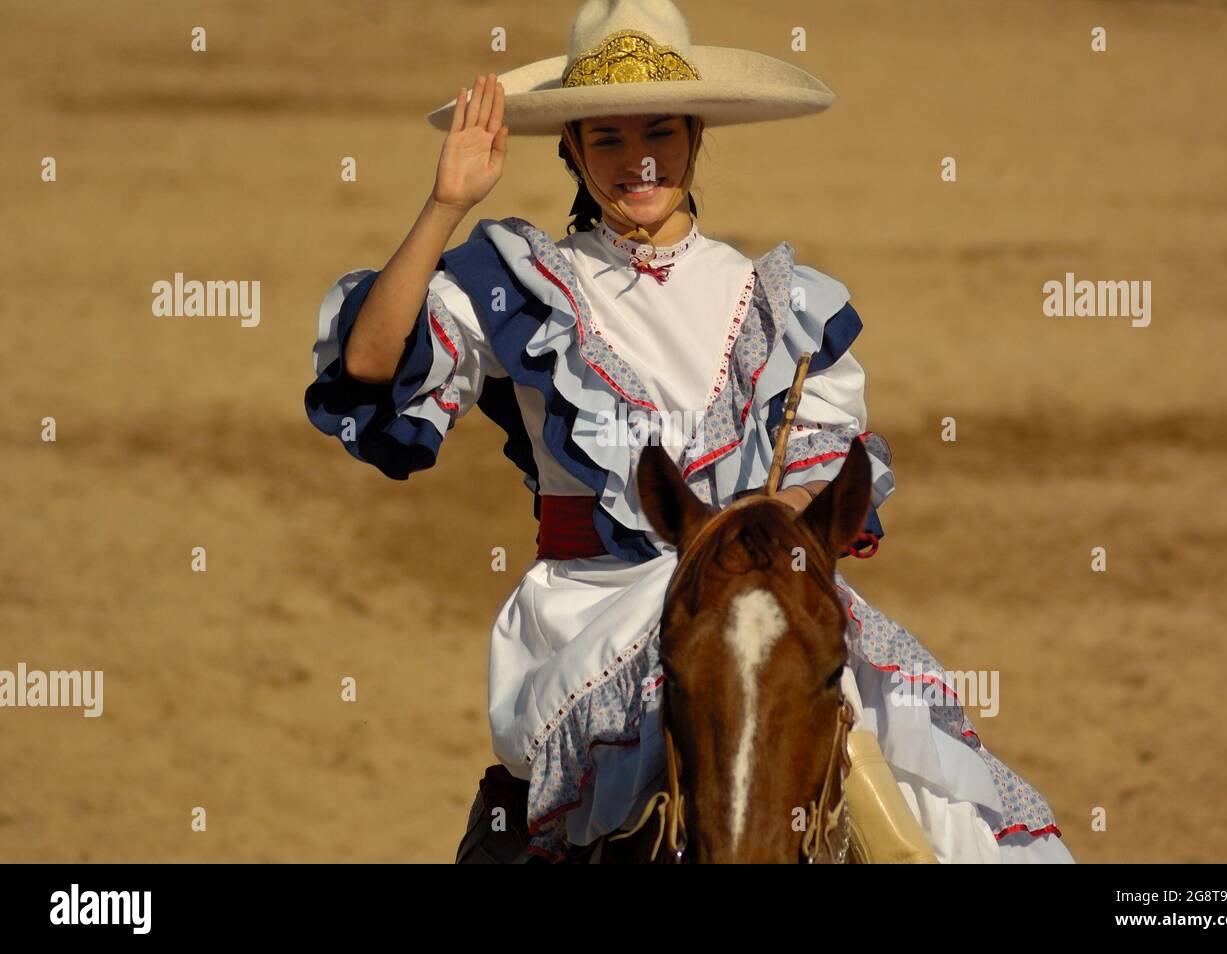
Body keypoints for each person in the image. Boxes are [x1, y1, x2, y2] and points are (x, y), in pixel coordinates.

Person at [305, 0, 1074, 863]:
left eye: (660, 131)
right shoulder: (521, 286)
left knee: (933, 798)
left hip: (759, 590)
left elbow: (823, 472)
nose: (638, 160)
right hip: (590, 611)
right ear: (570, 148)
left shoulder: (783, 303)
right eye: (605, 138)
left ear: (697, 134)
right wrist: (444, 206)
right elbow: (372, 365)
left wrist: (756, 550)